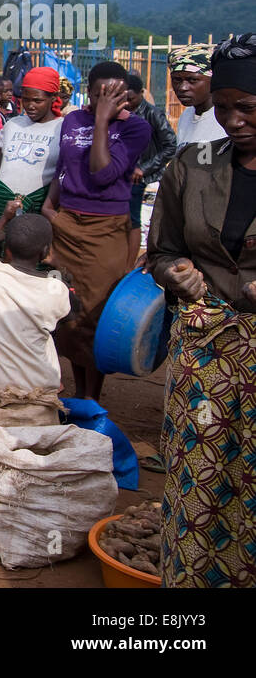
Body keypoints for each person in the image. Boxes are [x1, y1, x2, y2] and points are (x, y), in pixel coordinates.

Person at [147, 32, 256, 588]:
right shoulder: (193, 165)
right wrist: (177, 273)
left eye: (248, 108)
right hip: (206, 343)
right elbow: (162, 248)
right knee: (198, 476)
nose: (233, 121)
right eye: (228, 107)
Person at [41, 60, 151, 401]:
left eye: (118, 94)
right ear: (89, 92)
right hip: (67, 223)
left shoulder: (136, 129)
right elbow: (65, 166)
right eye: (104, 94)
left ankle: (93, 399)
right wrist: (50, 207)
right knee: (69, 313)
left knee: (97, 313)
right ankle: (77, 395)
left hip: (105, 230)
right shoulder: (73, 120)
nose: (113, 99)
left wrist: (103, 120)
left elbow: (102, 173)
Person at [0, 204, 77, 393]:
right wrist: (58, 267)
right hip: (36, 385)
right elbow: (71, 312)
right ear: (46, 251)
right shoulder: (56, 289)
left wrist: (4, 220)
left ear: (8, 247)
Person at [0, 67, 64, 223]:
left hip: (36, 207)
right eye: (26, 99)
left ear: (54, 98)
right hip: (3, 204)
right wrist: (0, 182)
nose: (30, 105)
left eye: (38, 101)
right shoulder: (14, 124)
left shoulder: (61, 128)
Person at [125, 73, 177, 264]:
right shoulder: (121, 114)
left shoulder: (153, 114)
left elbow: (171, 145)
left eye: (131, 98)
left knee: (138, 223)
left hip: (147, 180)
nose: (127, 103)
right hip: (125, 179)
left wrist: (144, 169)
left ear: (141, 93)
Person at [169, 44, 226, 151]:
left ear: (213, 79)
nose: (183, 88)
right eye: (177, 80)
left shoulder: (224, 120)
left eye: (192, 80)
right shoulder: (186, 116)